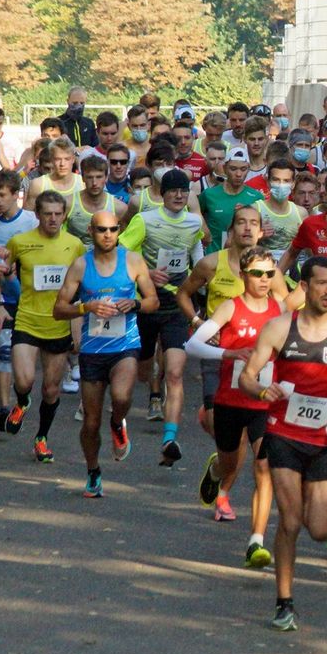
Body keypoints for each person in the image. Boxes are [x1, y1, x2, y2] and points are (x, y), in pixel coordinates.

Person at [238, 256, 327, 632]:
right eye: (321, 283)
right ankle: (284, 603)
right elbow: (247, 377)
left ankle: (302, 495)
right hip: (283, 433)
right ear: (304, 286)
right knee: (289, 520)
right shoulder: (279, 329)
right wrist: (261, 388)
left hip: (325, 441)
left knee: (319, 529)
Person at [185, 246, 282, 566]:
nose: (264, 279)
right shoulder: (231, 307)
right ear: (243, 276)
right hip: (230, 400)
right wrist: (226, 354)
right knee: (229, 463)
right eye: (257, 273)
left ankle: (257, 540)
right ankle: (216, 470)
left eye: (270, 273)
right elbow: (193, 344)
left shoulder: (280, 309)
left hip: (264, 402)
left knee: (264, 466)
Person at [53, 211, 158, 497]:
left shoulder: (133, 261)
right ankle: (93, 470)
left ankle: (117, 424)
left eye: (113, 229)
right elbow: (58, 309)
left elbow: (153, 301)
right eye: (102, 229)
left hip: (125, 345)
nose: (108, 235)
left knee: (122, 397)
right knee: (90, 421)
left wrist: (134, 304)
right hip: (92, 350)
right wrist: (86, 307)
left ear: (119, 230)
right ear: (91, 231)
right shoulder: (79, 266)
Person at [119, 169, 205, 465]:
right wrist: (145, 272)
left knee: (175, 372)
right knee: (143, 372)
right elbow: (121, 251)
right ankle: (128, 416)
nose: (180, 195)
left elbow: (196, 249)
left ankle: (170, 438)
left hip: (177, 305)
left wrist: (199, 279)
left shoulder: (194, 222)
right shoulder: (145, 220)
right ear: (163, 193)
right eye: (174, 191)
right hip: (147, 303)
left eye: (184, 190)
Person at [3, 191, 86, 462]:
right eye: (47, 213)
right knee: (25, 380)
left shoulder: (74, 245)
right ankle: (22, 401)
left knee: (51, 390)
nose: (52, 219)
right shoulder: (20, 242)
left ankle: (41, 437)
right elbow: (1, 270)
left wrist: (77, 325)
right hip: (27, 319)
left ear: (64, 216)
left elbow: (79, 290)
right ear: (37, 215)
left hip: (58, 325)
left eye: (57, 214)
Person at [0, 171, 38, 433]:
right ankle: (4, 409)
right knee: (4, 354)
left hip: (32, 299)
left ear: (16, 195)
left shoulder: (32, 221)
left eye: (3, 195)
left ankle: (21, 401)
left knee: (24, 362)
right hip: (6, 300)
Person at [197, 147, 260, 251]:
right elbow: (196, 219)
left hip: (243, 258)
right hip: (213, 257)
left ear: (248, 169)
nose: (238, 174)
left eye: (243, 169)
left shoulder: (256, 197)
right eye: (233, 169)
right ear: (225, 168)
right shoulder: (209, 194)